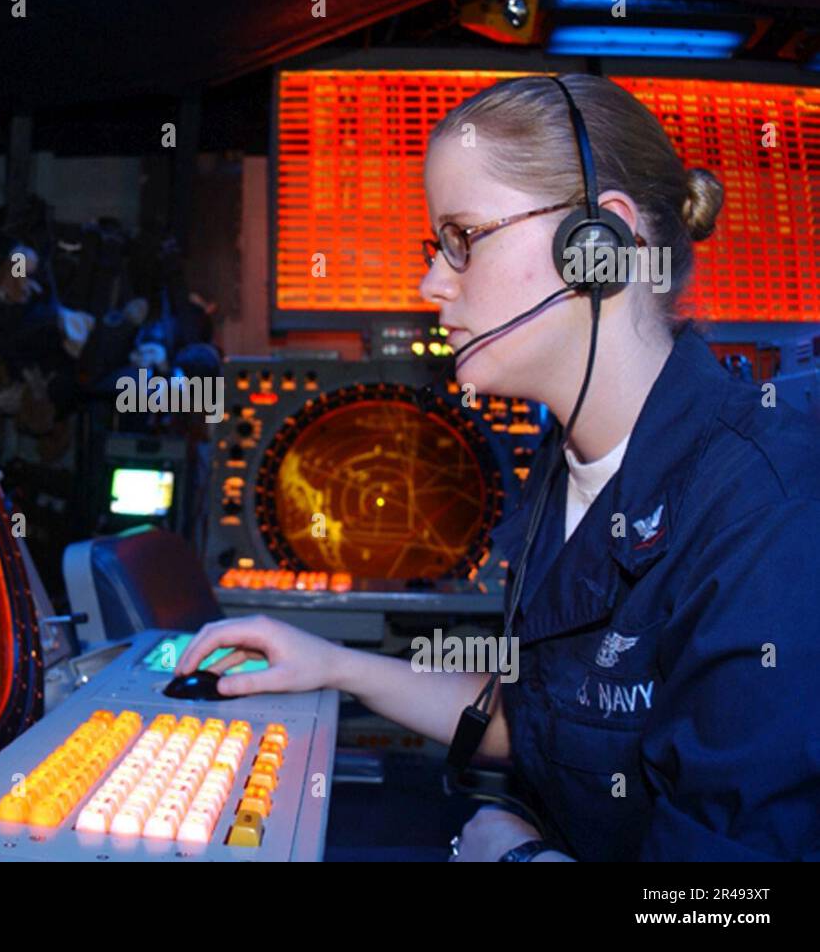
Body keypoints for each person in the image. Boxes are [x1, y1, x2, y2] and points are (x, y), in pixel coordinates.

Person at [177, 73, 820, 862]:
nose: (430, 285)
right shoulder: (564, 470)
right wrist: (332, 664)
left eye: (464, 238)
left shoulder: (768, 508)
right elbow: (539, 718)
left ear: (599, 246)